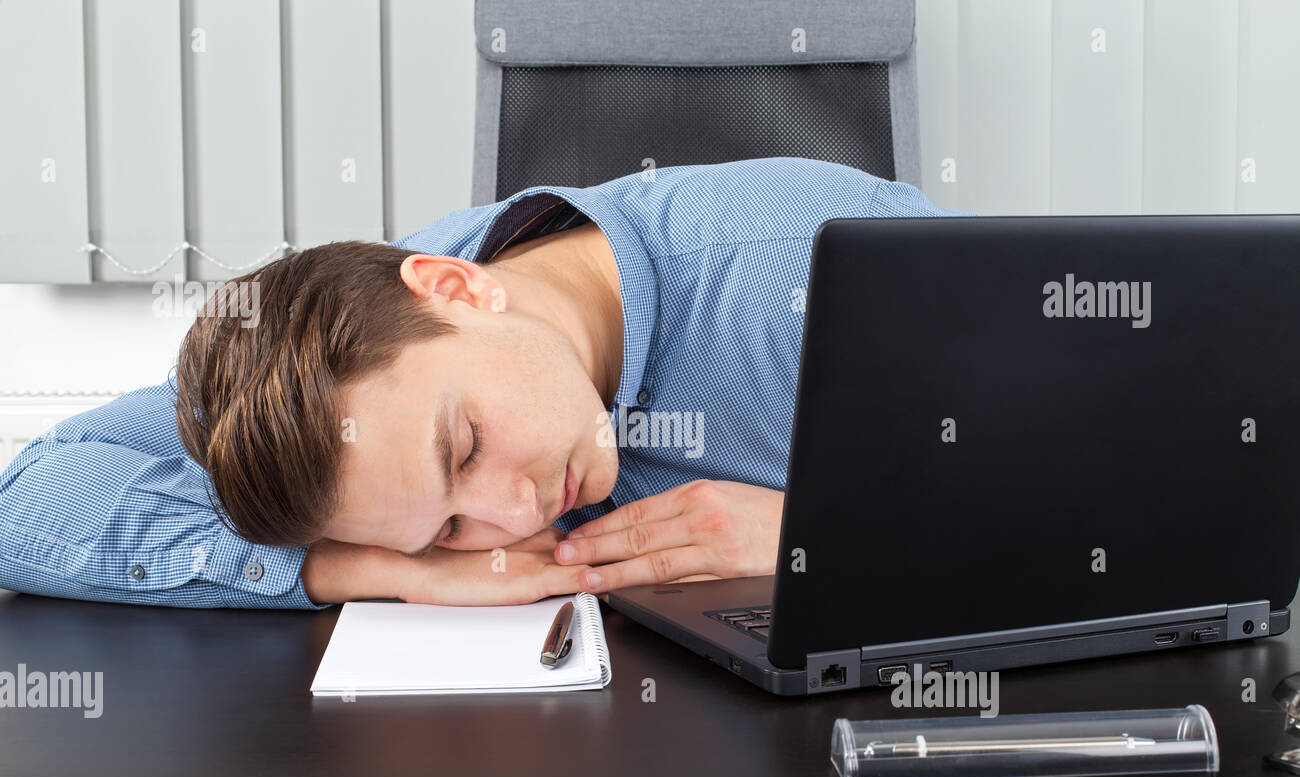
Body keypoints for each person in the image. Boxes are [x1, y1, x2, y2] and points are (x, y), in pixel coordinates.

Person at [0, 157, 957, 609]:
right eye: (450, 525)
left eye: (463, 446)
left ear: (456, 287)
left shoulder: (826, 266)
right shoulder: (327, 367)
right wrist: (375, 569)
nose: (514, 517)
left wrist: (827, 540)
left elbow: (1096, 511)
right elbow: (23, 502)